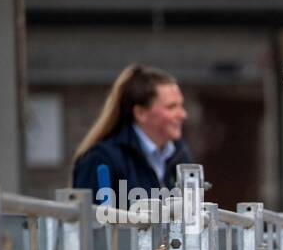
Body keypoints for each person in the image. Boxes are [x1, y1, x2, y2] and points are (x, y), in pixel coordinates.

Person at [71, 64, 192, 203]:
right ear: (141, 113)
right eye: (171, 107)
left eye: (181, 105)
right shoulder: (101, 160)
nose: (182, 114)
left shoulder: (180, 155)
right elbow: (89, 220)